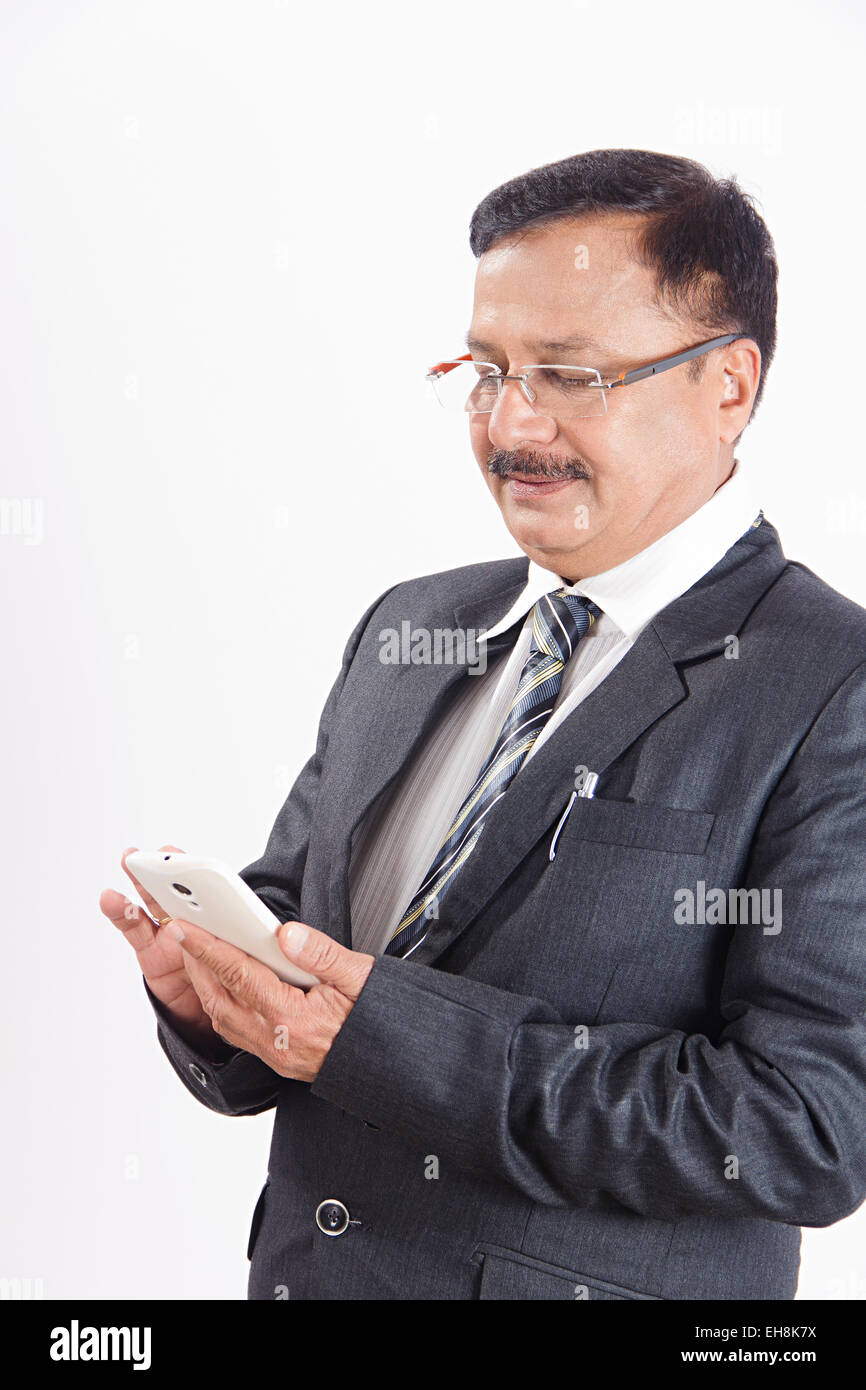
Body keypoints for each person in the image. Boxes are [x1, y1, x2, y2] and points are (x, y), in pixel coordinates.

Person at [101, 149, 866, 1300]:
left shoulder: (830, 682)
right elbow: (309, 944)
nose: (510, 423)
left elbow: (803, 1124)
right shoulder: (414, 626)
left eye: (568, 375)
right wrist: (216, 988)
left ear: (728, 384)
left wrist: (386, 1042)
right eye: (487, 367)